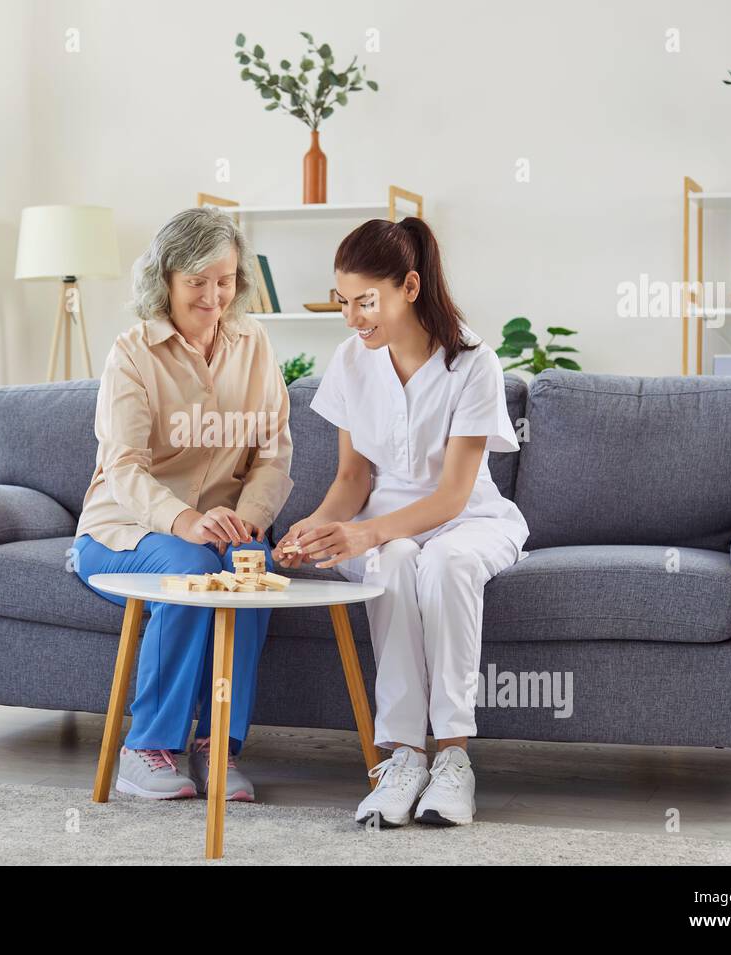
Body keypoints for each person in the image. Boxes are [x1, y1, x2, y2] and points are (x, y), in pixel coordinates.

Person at [276, 216, 528, 828]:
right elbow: (352, 480)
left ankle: (453, 760)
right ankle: (404, 757)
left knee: (444, 560)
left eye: (367, 301)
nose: (353, 317)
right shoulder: (350, 361)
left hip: (468, 519)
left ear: (410, 287)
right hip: (385, 525)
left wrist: (362, 532)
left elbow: (450, 497)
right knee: (392, 561)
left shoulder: (473, 362)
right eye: (344, 301)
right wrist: (310, 529)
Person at [72, 207, 294, 802]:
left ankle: (217, 746)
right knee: (192, 570)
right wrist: (186, 521)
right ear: (165, 280)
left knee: (255, 566)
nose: (213, 296)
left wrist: (249, 520)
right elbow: (123, 469)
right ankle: (147, 747)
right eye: (197, 282)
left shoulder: (255, 345)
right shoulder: (132, 354)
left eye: (224, 280)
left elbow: (273, 455)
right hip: (121, 534)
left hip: (224, 528)